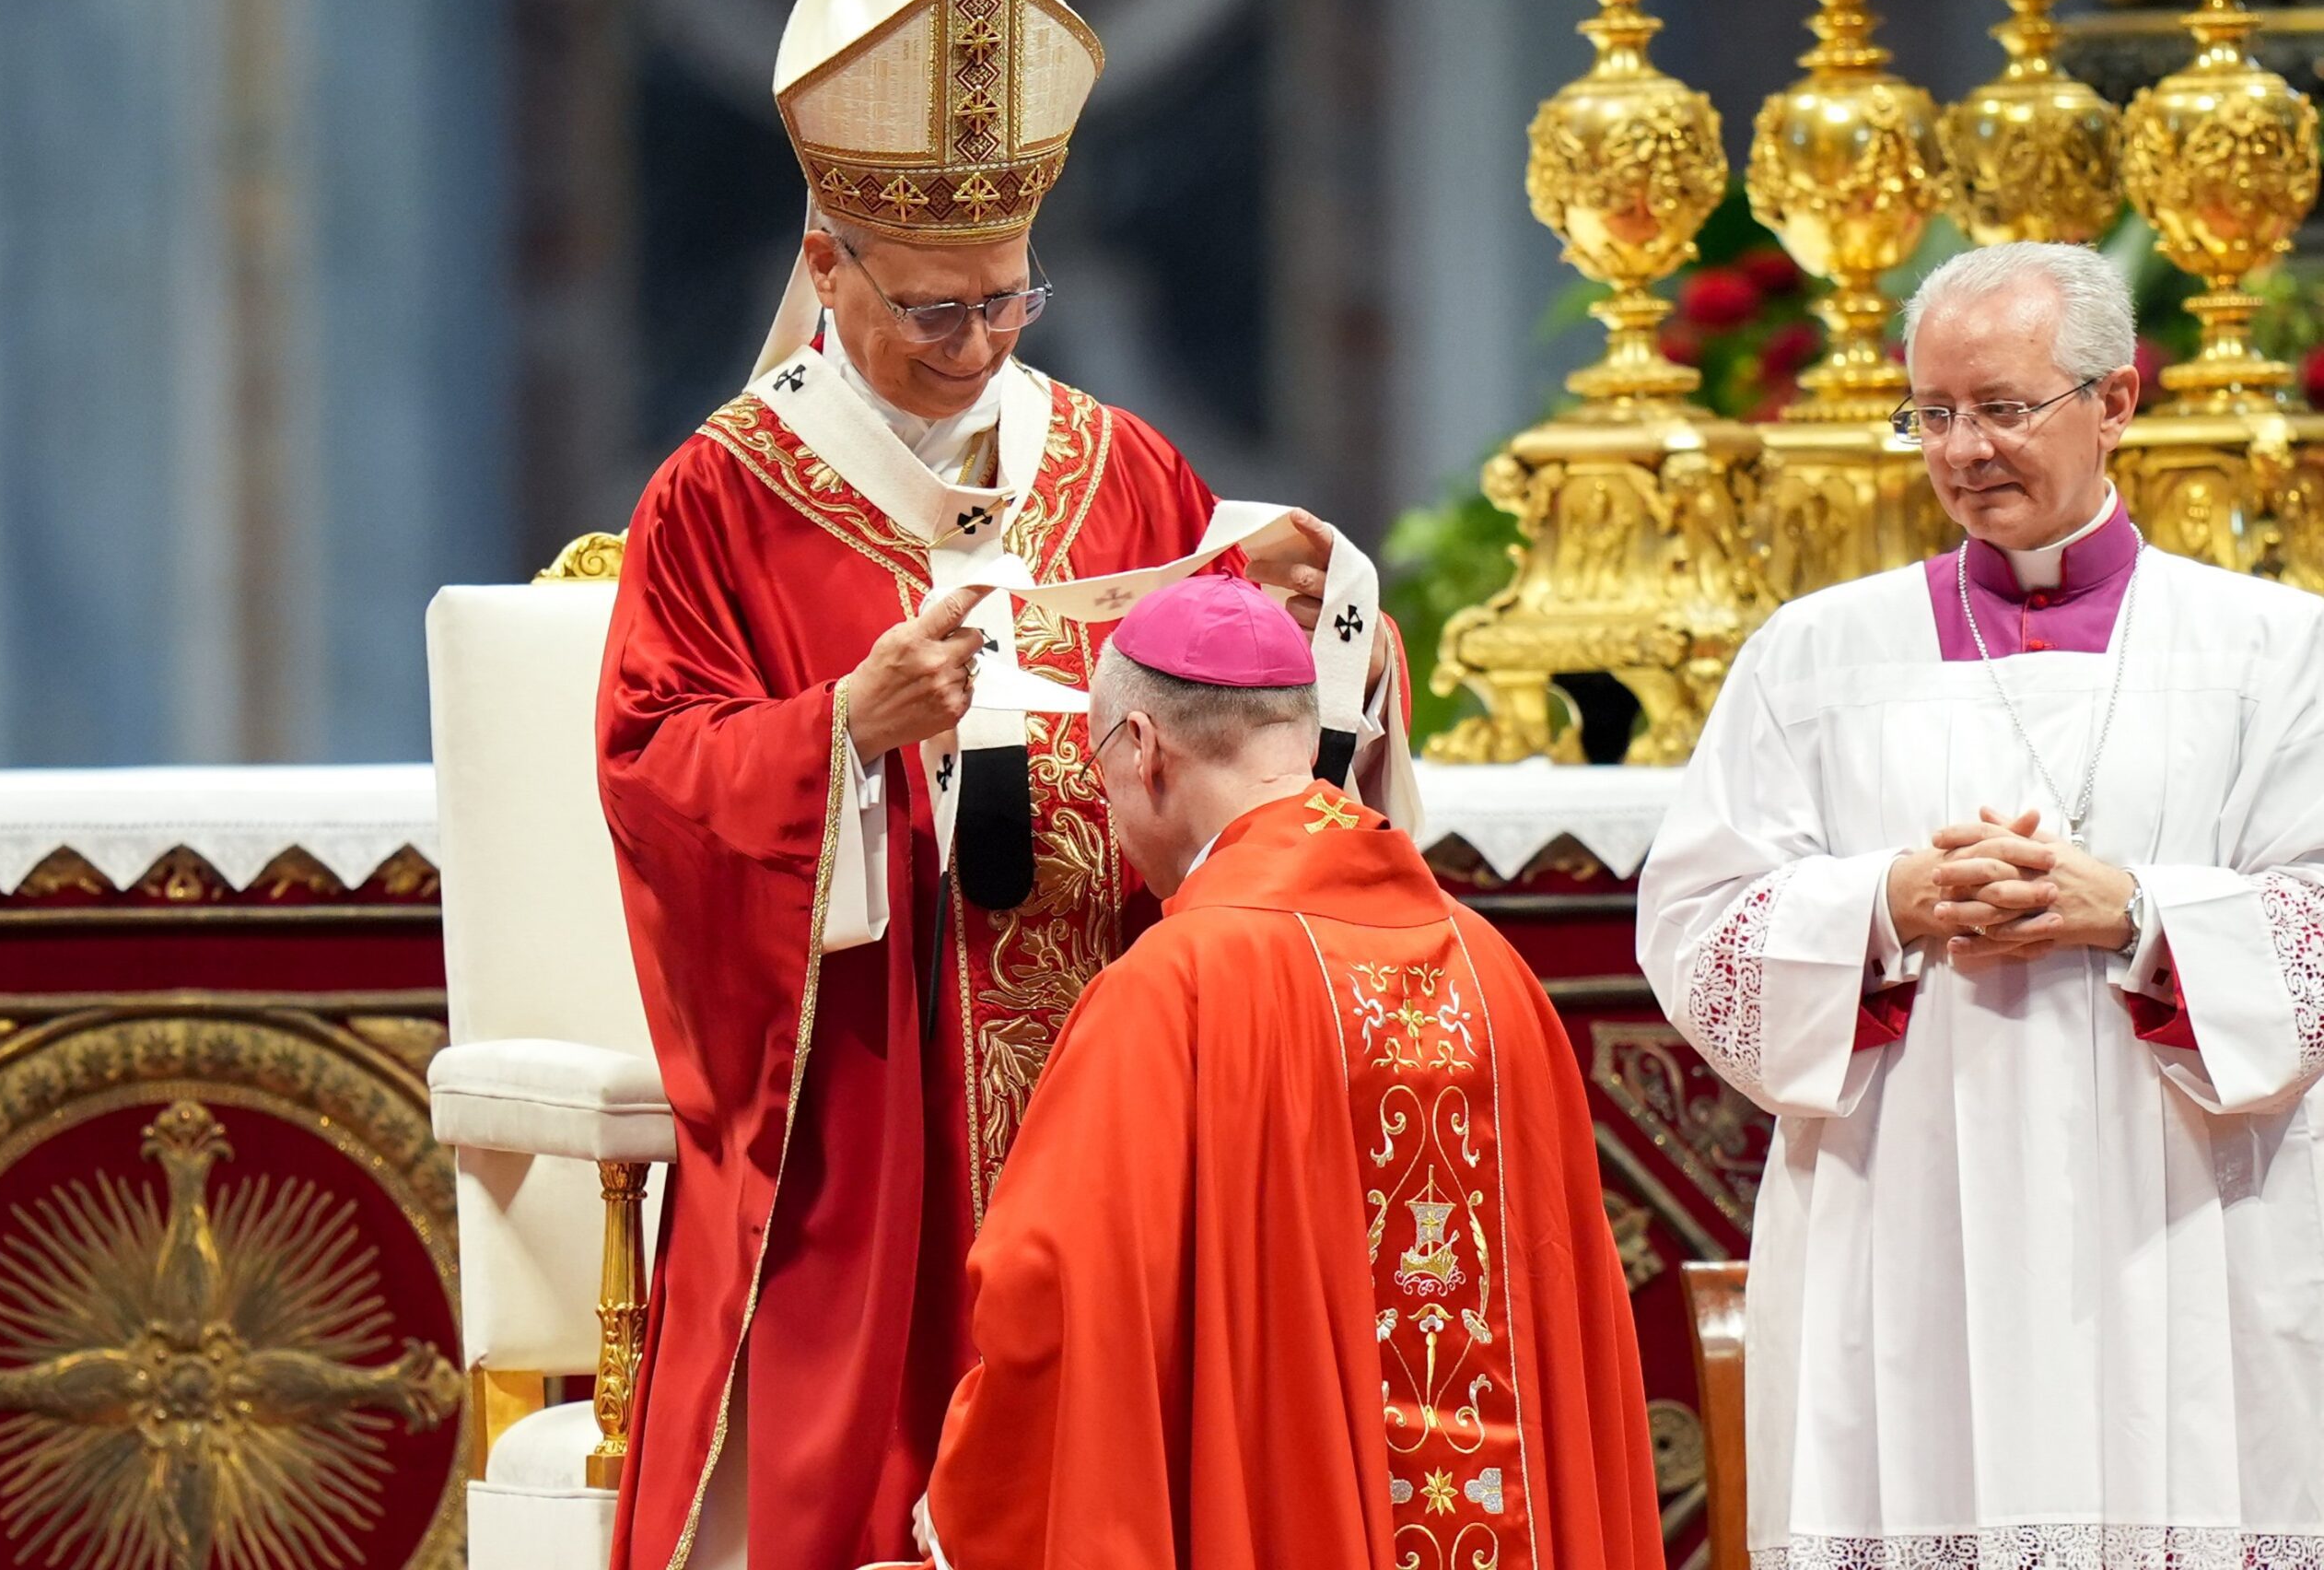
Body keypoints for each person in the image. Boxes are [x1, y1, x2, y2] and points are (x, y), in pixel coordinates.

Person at [592, 0, 1413, 1567]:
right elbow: (654, 776)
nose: (975, 344)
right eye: (930, 310)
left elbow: (1245, 757)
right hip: (869, 1094)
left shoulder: (1123, 464)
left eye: (1003, 300)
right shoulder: (719, 497)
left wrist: (1306, 634)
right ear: (826, 267)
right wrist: (843, 722)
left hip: (1119, 1052)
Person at [1637, 240, 2324, 1566]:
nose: (1962, 450)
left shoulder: (2274, 651)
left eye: (2004, 409)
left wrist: (2139, 917)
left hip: (2184, 1234)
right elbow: (1696, 928)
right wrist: (1885, 904)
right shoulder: (1816, 654)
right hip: (1907, 1234)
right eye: (1933, 414)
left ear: (2116, 402)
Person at [882, 574, 1662, 1570]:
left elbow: (1054, 1292)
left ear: (1141, 749)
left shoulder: (1174, 986)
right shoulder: (1493, 968)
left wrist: (968, 1496)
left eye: (1101, 768)